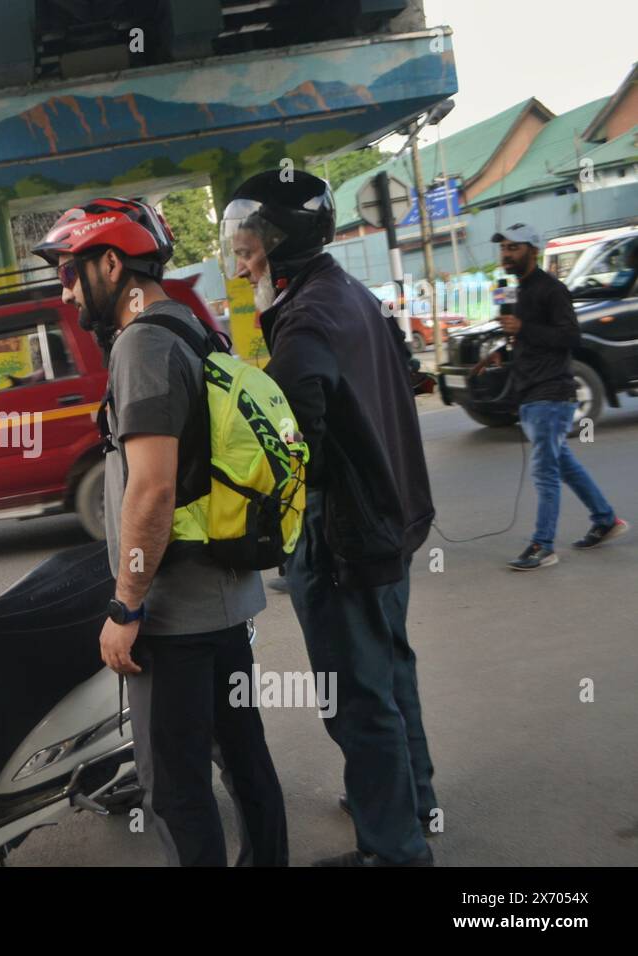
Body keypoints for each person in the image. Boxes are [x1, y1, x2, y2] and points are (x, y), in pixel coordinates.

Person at [33, 197, 287, 867]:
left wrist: (126, 605)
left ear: (111, 264)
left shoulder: (142, 344)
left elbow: (153, 487)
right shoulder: (192, 328)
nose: (65, 287)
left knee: (174, 788)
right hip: (226, 599)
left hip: (175, 616)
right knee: (243, 759)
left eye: (69, 270)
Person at [221, 169, 437, 866]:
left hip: (346, 535)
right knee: (391, 671)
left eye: (248, 249)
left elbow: (288, 447)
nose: (240, 262)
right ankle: (413, 800)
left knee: (357, 697)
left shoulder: (306, 320)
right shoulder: (350, 295)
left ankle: (394, 849)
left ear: (282, 246)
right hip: (392, 519)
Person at [476, 223, 627, 569]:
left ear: (534, 250)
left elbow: (571, 337)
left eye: (514, 248)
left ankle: (543, 545)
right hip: (529, 391)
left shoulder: (551, 289)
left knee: (545, 471)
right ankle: (605, 520)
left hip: (552, 393)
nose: (506, 255)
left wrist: (524, 329)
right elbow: (530, 339)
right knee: (563, 466)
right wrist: (505, 349)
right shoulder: (517, 292)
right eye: (503, 249)